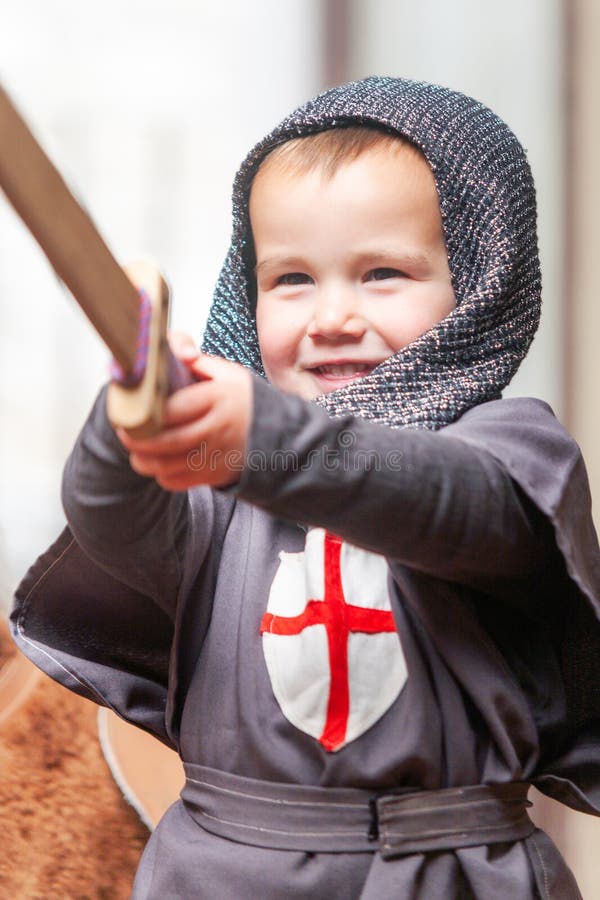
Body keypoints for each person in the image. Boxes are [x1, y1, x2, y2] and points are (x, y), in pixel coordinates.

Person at [10, 77, 600, 899]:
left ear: (478, 285)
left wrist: (267, 440)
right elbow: (114, 524)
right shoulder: (222, 478)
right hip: (219, 871)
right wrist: (129, 430)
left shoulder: (508, 453)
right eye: (292, 279)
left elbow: (435, 500)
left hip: (451, 868)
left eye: (382, 273)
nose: (330, 318)